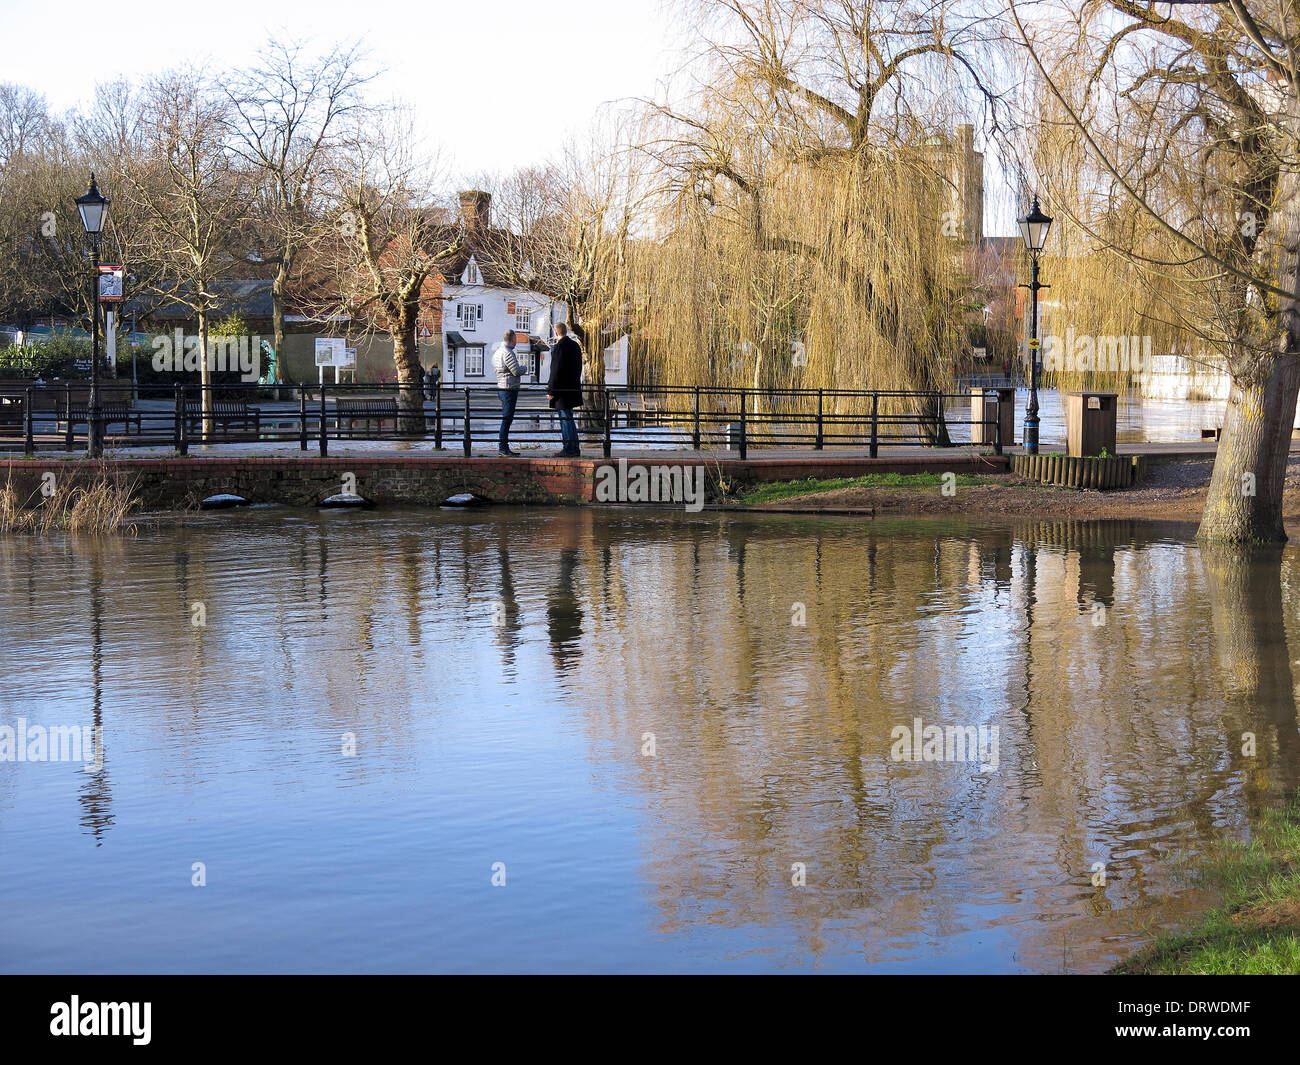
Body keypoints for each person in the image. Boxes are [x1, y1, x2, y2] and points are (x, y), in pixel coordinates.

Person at [547, 322, 583, 457]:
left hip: (561, 390)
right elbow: (578, 367)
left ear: (556, 333)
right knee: (569, 419)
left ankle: (569, 449)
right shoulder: (575, 346)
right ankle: (574, 448)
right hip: (573, 387)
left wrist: (551, 391)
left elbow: (555, 371)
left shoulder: (559, 347)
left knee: (565, 419)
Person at [492, 330, 524, 457]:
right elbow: (516, 371)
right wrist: (524, 368)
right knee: (507, 419)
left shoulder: (498, 352)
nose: (516, 342)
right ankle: (503, 448)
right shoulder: (508, 353)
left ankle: (504, 447)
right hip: (509, 388)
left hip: (502, 386)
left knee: (506, 418)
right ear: (512, 339)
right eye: (516, 339)